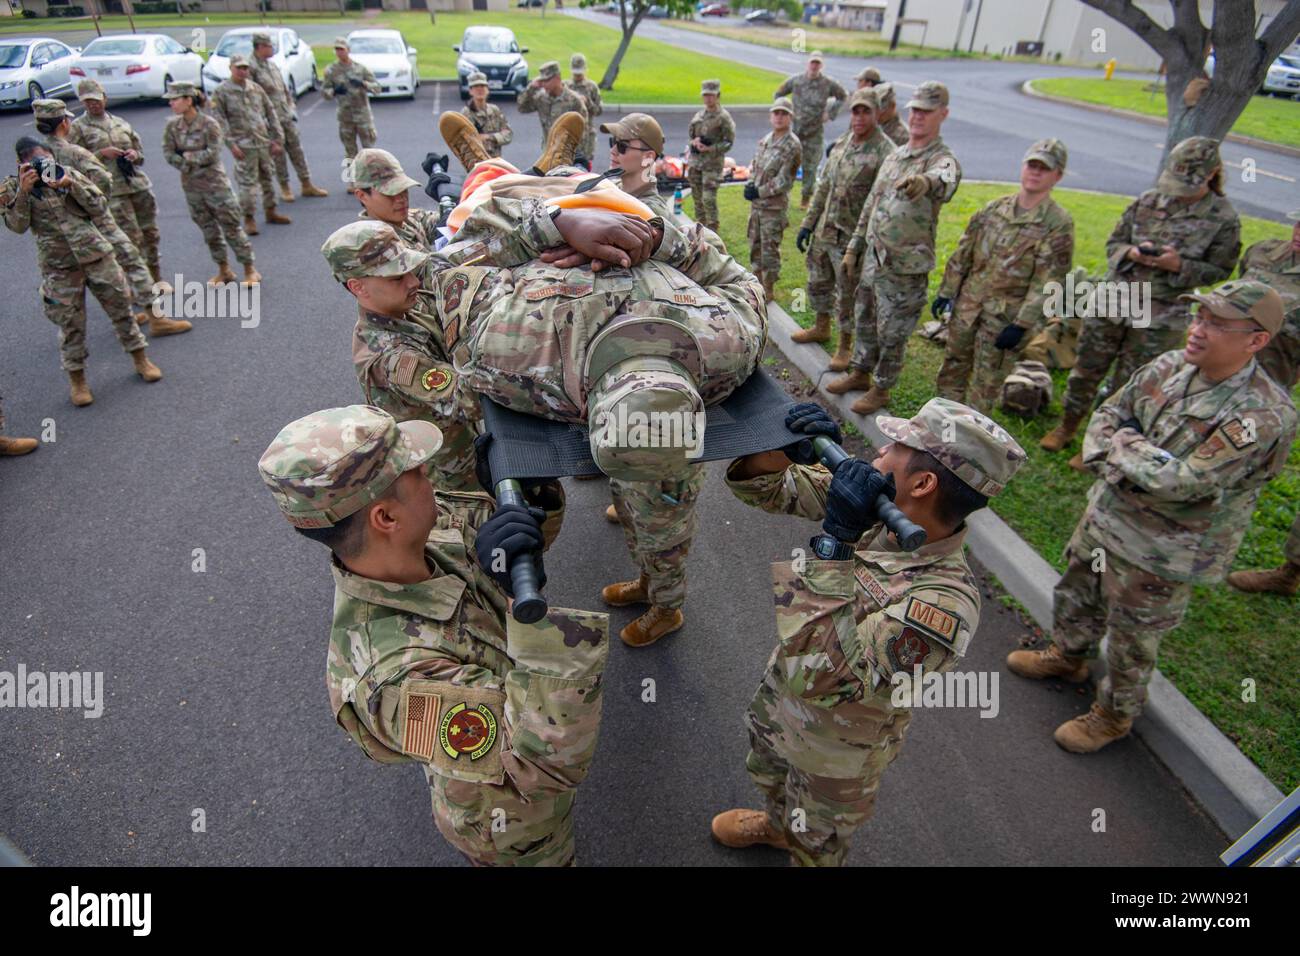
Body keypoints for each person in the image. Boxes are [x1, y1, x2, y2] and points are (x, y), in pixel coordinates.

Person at [257, 405, 609, 866]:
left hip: (520, 714)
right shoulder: (393, 676)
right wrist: (528, 615)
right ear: (385, 518)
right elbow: (540, 763)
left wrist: (515, 492)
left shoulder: (424, 536)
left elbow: (512, 535)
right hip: (507, 815)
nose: (431, 475)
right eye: (416, 472)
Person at [713, 398, 1026, 865]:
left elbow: (819, 677)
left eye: (896, 446)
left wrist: (836, 542)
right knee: (772, 776)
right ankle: (777, 826)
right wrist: (785, 450)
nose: (879, 449)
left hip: (836, 755)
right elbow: (762, 488)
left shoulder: (942, 606)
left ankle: (801, 845)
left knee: (817, 838)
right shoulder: (881, 511)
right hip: (782, 708)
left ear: (922, 483)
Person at [1008, 279, 1296, 752]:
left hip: (1167, 546)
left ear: (1256, 340)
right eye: (1198, 317)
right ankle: (1068, 655)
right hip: (1110, 516)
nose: (1199, 329)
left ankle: (1113, 716)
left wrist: (1124, 444)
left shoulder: (1262, 413)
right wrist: (1132, 446)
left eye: (1217, 323)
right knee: (1077, 590)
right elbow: (1108, 416)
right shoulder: (1169, 365)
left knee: (1132, 636)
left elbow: (1186, 481)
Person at [1040, 136, 1241, 457]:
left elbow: (1221, 269)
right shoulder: (1148, 201)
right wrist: (1131, 252)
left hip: (1161, 310)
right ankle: (1068, 425)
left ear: (1210, 174)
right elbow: (1113, 244)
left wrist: (1179, 265)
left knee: (1132, 382)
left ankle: (1102, 444)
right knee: (1087, 368)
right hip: (1117, 297)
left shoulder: (1223, 218)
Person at [2, 138, 163, 405]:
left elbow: (99, 206)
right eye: (36, 163)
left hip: (96, 255)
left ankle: (141, 360)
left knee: (122, 309)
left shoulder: (68, 174)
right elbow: (16, 226)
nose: (44, 167)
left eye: (47, 161)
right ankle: (77, 381)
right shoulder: (12, 187)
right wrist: (23, 193)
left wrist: (70, 184)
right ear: (21, 164)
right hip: (59, 266)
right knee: (70, 325)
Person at [833, 80, 961, 415]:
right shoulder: (896, 155)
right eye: (915, 110)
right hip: (874, 258)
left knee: (893, 330)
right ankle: (860, 372)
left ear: (942, 114)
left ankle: (882, 388)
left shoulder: (941, 158)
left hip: (905, 266)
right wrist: (854, 246)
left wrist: (925, 182)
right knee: (866, 317)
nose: (918, 117)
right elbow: (872, 204)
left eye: (926, 111)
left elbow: (945, 177)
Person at [931, 138, 1074, 413]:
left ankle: (968, 445)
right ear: (1023, 167)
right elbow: (964, 252)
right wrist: (947, 291)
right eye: (1032, 165)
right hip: (968, 308)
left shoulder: (1057, 224)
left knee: (985, 386)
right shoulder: (994, 210)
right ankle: (941, 428)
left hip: (1004, 320)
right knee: (951, 370)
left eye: (1044, 168)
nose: (1035, 172)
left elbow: (1049, 281)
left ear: (1057, 176)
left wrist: (1022, 324)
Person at [33, 98, 183, 337]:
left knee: (103, 272)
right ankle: (157, 319)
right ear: (63, 123)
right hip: (96, 217)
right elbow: (103, 180)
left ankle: (128, 316)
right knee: (131, 260)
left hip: (65, 227)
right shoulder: (74, 152)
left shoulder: (39, 155)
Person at [1224, 208, 1300, 597]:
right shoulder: (1262, 252)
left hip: (1268, 394)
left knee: (1244, 467)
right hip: (1224, 377)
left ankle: (1290, 571)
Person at [792, 87, 892, 368]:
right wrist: (808, 224)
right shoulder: (843, 143)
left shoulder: (886, 153)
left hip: (852, 239)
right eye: (855, 111)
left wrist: (859, 244)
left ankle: (845, 346)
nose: (859, 118)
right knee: (818, 282)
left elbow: (878, 205)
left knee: (848, 294)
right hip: (825, 231)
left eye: (865, 112)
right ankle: (821, 326)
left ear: (876, 114)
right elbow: (824, 187)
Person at [162, 82, 259, 286]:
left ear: (189, 100)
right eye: (170, 100)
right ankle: (224, 270)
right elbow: (169, 154)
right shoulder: (172, 126)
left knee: (231, 228)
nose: (172, 103)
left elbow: (212, 153)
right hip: (192, 188)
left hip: (216, 187)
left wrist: (187, 157)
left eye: (175, 99)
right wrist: (189, 159)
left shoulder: (209, 124)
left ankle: (250, 269)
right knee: (209, 231)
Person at [68, 79, 164, 283]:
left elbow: (141, 154)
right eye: (87, 101)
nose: (93, 104)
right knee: (130, 239)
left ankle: (156, 278)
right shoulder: (78, 128)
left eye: (96, 99)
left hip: (137, 185)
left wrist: (133, 154)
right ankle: (140, 284)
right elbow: (72, 163)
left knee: (150, 234)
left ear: (105, 97)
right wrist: (101, 154)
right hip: (112, 192)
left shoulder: (120, 123)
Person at [210, 54, 290, 235]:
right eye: (239, 68)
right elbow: (219, 121)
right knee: (247, 184)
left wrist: (277, 139)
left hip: (263, 143)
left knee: (268, 178)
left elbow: (271, 113)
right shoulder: (222, 92)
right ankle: (249, 218)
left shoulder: (255, 89)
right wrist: (231, 145)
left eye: (245, 68)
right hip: (243, 145)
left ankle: (271, 211)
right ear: (231, 68)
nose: (243, 71)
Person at [248, 31, 329, 202]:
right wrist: (261, 121)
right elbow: (251, 99)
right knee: (278, 154)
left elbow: (284, 90)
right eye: (269, 46)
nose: (272, 49)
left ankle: (306, 184)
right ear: (260, 47)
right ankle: (285, 187)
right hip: (269, 121)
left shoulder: (272, 65)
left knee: (296, 150)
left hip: (285, 116)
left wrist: (291, 107)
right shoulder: (251, 68)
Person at [744, 97, 801, 302]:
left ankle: (768, 288)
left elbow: (785, 180)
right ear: (771, 116)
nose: (779, 117)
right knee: (755, 244)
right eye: (776, 113)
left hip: (773, 207)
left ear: (790, 117)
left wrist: (759, 192)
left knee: (769, 249)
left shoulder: (792, 146)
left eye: (783, 113)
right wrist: (750, 184)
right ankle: (756, 283)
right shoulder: (767, 139)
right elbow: (755, 164)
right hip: (757, 206)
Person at [773, 51, 847, 208]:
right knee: (787, 164)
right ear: (808, 63)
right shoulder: (797, 80)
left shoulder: (827, 83)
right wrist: (785, 112)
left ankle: (805, 199)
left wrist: (830, 113)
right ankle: (782, 195)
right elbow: (779, 94)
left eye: (817, 63)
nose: (814, 66)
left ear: (821, 65)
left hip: (814, 133)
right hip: (796, 131)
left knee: (810, 167)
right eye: (812, 62)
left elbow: (843, 96)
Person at [347, 148, 441, 253]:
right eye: (391, 193)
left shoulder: (407, 219)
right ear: (362, 196)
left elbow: (448, 221)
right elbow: (432, 267)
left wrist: (455, 198)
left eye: (403, 189)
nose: (401, 199)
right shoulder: (373, 243)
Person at [601, 112, 672, 220]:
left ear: (648, 157)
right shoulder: (614, 187)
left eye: (622, 146)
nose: (613, 151)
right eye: (613, 141)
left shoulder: (647, 213)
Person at [686, 79, 735, 234]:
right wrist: (694, 141)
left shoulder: (724, 117)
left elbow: (729, 142)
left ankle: (713, 231)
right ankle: (700, 229)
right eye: (705, 95)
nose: (707, 98)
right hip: (696, 163)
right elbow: (691, 134)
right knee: (697, 198)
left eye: (711, 95)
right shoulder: (699, 115)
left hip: (712, 165)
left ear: (718, 95)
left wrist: (710, 148)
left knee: (709, 199)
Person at [322, 37, 381, 163]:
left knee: (369, 151)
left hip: (363, 116)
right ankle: (352, 180)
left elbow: (377, 88)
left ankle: (371, 179)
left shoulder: (360, 69)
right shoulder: (331, 70)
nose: (339, 52)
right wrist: (334, 91)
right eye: (337, 50)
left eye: (342, 49)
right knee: (350, 152)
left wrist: (363, 84)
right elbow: (324, 92)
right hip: (345, 117)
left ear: (348, 50)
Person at [517, 60, 588, 146]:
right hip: (547, 153)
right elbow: (522, 108)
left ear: (557, 78)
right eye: (541, 81)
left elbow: (582, 131)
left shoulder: (574, 101)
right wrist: (531, 88)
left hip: (567, 154)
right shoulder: (541, 98)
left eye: (546, 81)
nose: (543, 84)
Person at [460, 72, 512, 160]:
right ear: (470, 91)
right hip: (476, 162)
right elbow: (464, 140)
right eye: (476, 87)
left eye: (482, 86)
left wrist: (490, 137)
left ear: (487, 89)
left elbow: (508, 134)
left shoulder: (495, 110)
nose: (480, 89)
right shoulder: (466, 113)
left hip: (496, 160)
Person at [566, 53, 602, 167]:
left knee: (585, 165)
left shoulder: (591, 87)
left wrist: (588, 103)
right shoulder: (566, 86)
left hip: (586, 134)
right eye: (576, 73)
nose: (578, 76)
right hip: (569, 133)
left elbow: (599, 111)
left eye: (580, 73)